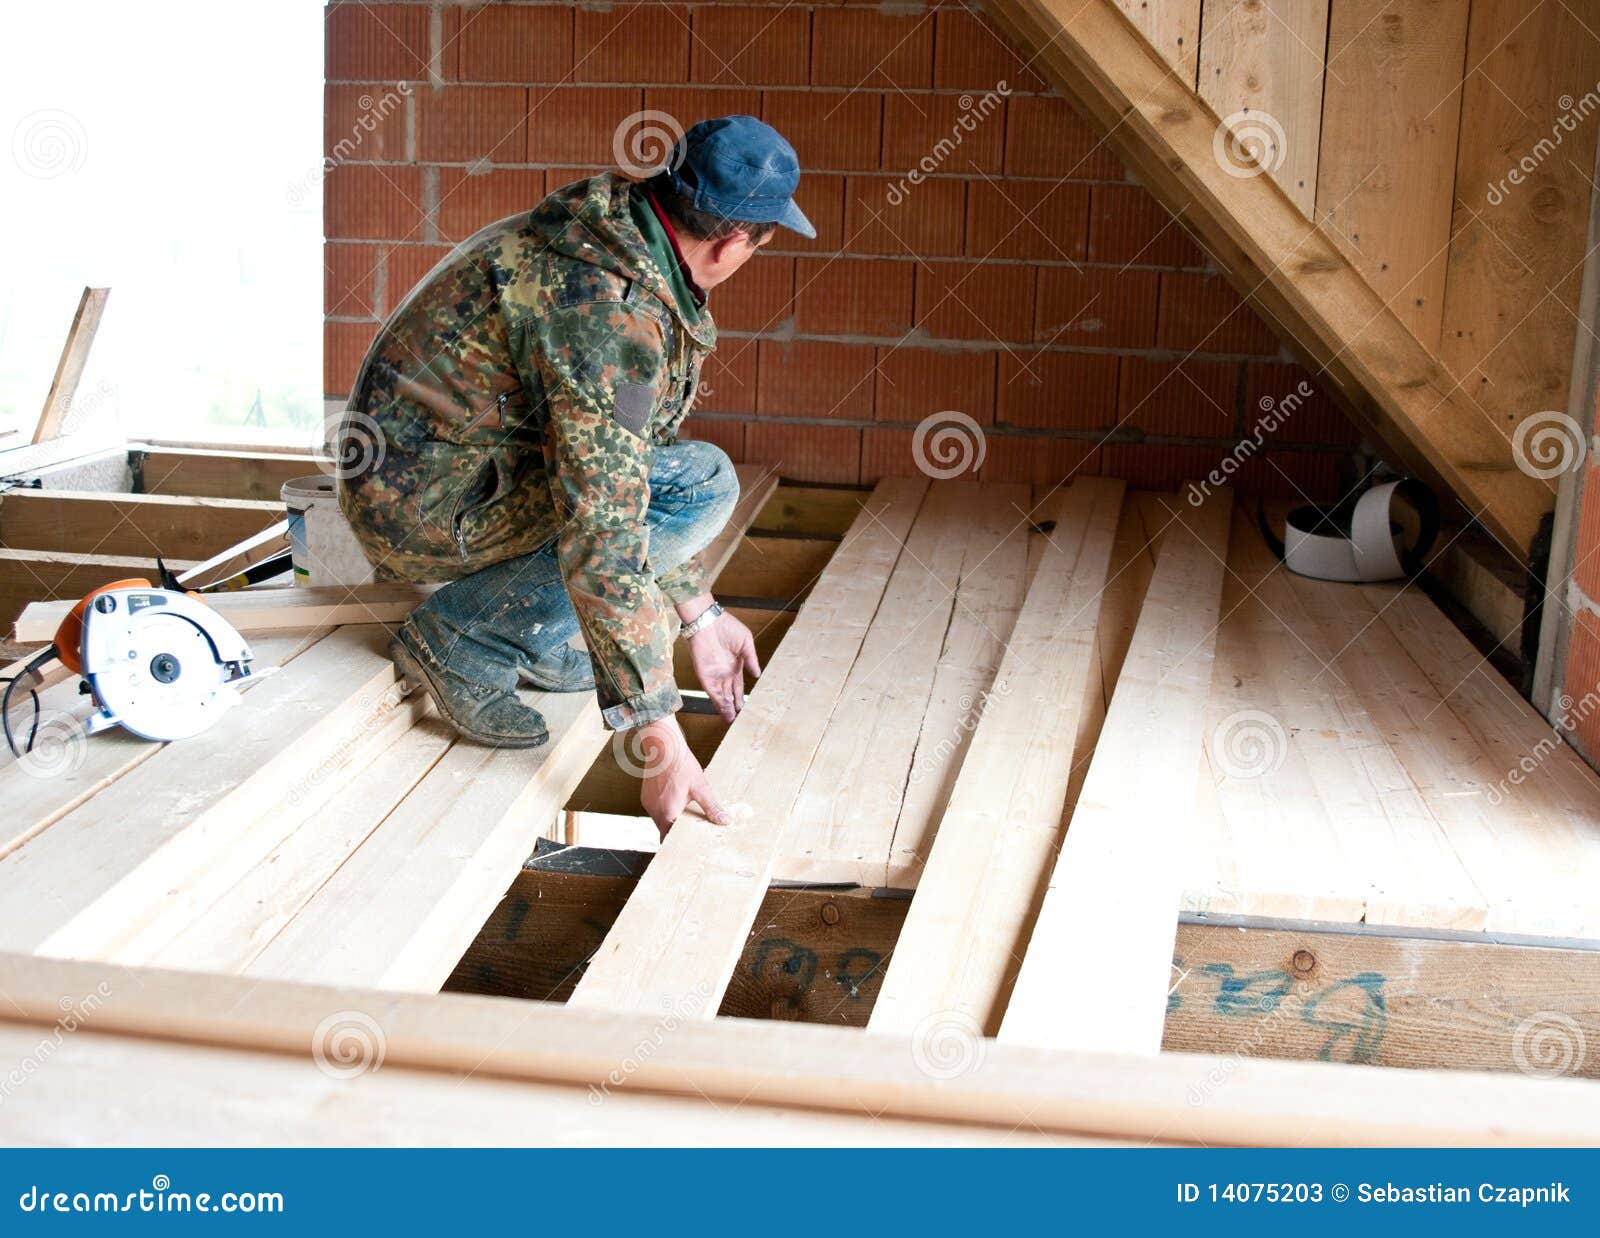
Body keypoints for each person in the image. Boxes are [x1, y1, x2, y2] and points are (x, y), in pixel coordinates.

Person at [334, 116, 815, 833]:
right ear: (732, 243)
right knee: (702, 485)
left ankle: (530, 626)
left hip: (444, 471)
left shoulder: (617, 237)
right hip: (424, 504)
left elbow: (636, 456)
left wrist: (700, 615)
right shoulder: (609, 313)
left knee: (682, 476)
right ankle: (467, 638)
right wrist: (658, 737)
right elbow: (607, 523)